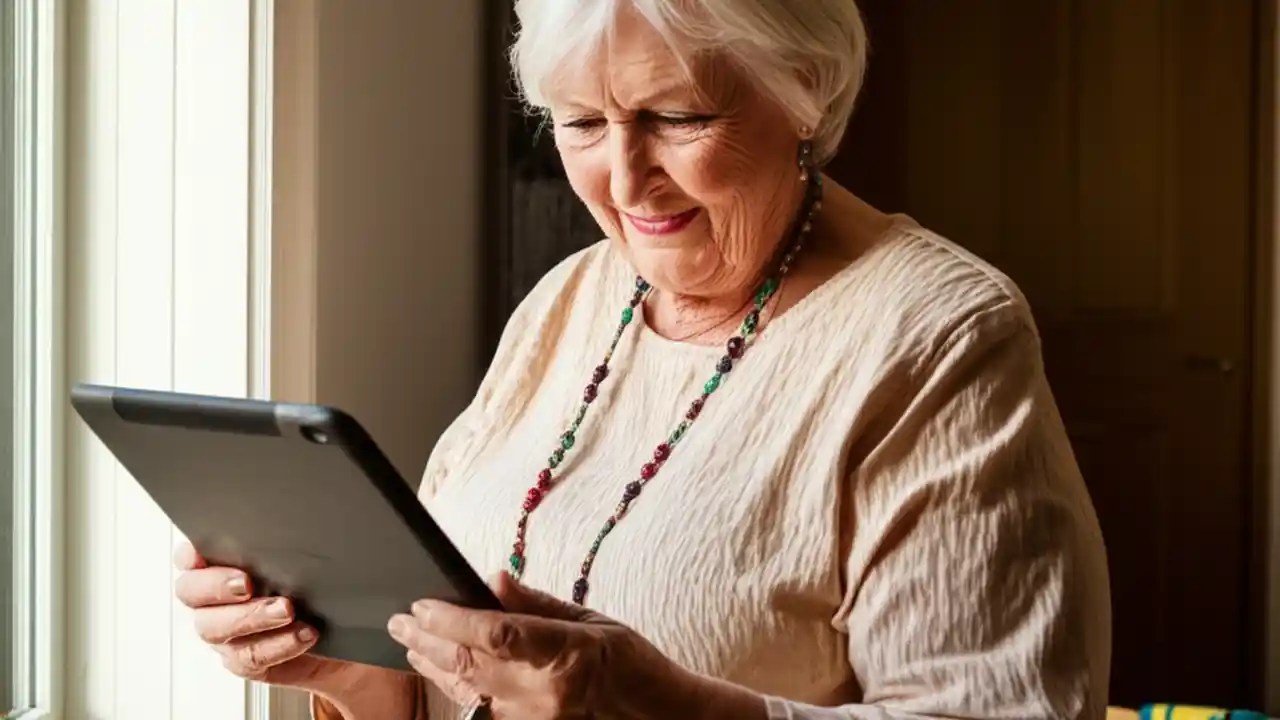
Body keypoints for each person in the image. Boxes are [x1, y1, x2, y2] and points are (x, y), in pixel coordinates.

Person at [173, 0, 1112, 717]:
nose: (625, 183)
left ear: (805, 94)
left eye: (677, 117)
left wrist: (662, 707)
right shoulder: (571, 298)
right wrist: (357, 668)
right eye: (581, 124)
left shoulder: (939, 337)